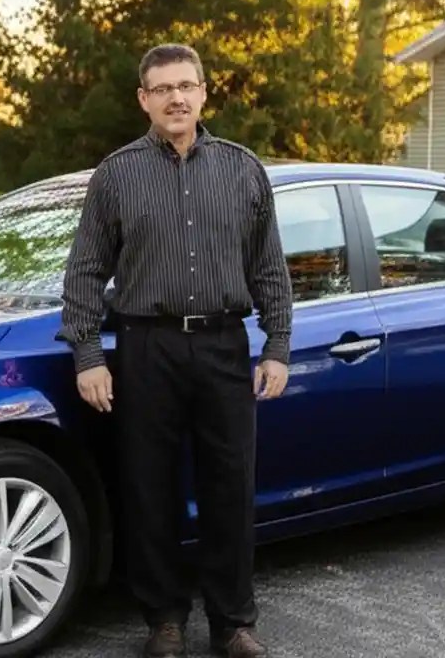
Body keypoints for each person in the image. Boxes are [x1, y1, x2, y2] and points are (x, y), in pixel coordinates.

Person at [58, 43, 292, 658]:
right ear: (144, 99)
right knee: (148, 488)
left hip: (223, 346)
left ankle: (233, 622)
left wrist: (278, 346)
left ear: (204, 93)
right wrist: (88, 355)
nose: (176, 99)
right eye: (162, 89)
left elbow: (269, 268)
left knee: (229, 488)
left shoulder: (243, 170)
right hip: (146, 347)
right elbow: (84, 272)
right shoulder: (115, 176)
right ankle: (163, 619)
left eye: (186, 86)